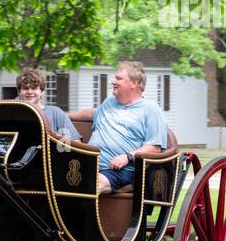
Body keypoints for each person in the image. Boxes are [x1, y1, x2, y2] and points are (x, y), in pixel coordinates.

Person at [67, 60, 169, 194]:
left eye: (119, 78)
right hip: (86, 164)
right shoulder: (109, 103)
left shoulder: (151, 110)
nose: (113, 81)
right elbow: (92, 113)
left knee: (88, 185)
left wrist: (127, 157)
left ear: (135, 83)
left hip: (118, 170)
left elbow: (155, 147)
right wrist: (65, 116)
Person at [16, 67, 79, 140]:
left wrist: (59, 139)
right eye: (26, 88)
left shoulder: (56, 113)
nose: (30, 92)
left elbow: (77, 142)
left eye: (34, 88)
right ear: (19, 91)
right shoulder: (13, 114)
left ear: (42, 91)